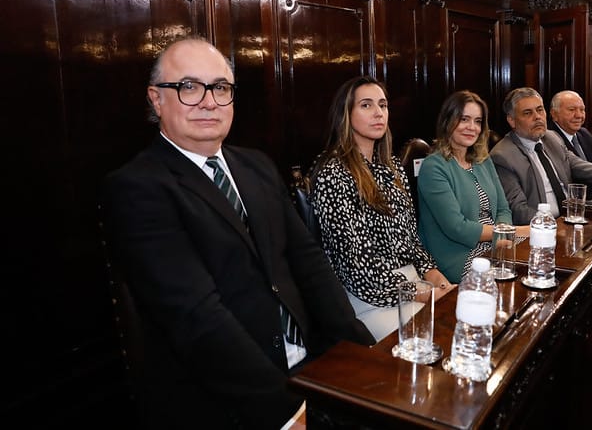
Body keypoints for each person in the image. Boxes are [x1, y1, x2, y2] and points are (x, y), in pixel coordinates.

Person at [101, 38, 374, 430]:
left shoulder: (257, 165)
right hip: (228, 397)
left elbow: (309, 263)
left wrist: (363, 351)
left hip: (311, 363)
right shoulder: (137, 187)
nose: (209, 102)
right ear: (156, 99)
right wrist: (286, 413)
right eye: (189, 87)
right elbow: (197, 318)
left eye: (220, 87)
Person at [310, 76, 454, 342]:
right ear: (346, 114)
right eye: (366, 105)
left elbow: (412, 240)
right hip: (369, 296)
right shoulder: (333, 172)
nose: (378, 113)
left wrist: (437, 279)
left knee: (462, 323)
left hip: (412, 282)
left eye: (383, 105)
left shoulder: (392, 166)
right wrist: (427, 293)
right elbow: (356, 267)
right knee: (437, 340)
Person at [489, 88, 592, 226]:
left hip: (574, 217)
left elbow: (580, 166)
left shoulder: (551, 137)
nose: (537, 117)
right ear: (512, 120)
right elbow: (518, 211)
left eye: (539, 110)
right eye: (527, 113)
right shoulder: (502, 156)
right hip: (543, 228)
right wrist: (554, 227)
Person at [417, 90, 526, 282]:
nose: (472, 127)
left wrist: (503, 237)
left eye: (477, 121)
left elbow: (503, 208)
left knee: (542, 256)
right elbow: (457, 228)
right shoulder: (433, 166)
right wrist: (510, 232)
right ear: (447, 121)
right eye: (464, 119)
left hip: (497, 243)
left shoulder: (483, 160)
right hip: (459, 255)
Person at [547, 90, 592, 164]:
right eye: (571, 110)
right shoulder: (548, 140)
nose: (579, 115)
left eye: (582, 109)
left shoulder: (585, 134)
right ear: (554, 114)